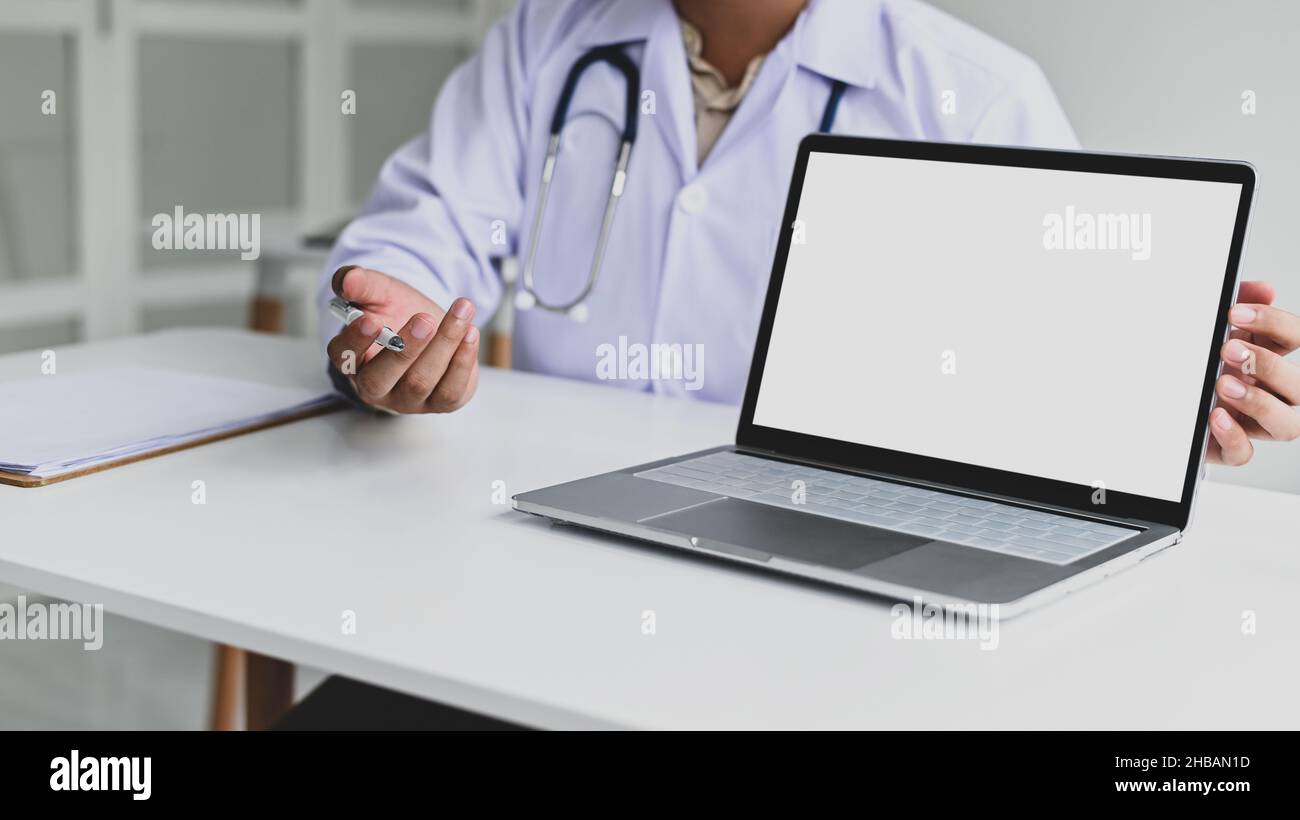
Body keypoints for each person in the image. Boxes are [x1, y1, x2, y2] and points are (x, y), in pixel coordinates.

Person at [321, 0, 1298, 469]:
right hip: (549, 529)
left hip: (824, 567)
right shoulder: (549, 37)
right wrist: (391, 325)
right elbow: (430, 228)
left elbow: (1069, 356)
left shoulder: (975, 96)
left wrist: (1170, 398)